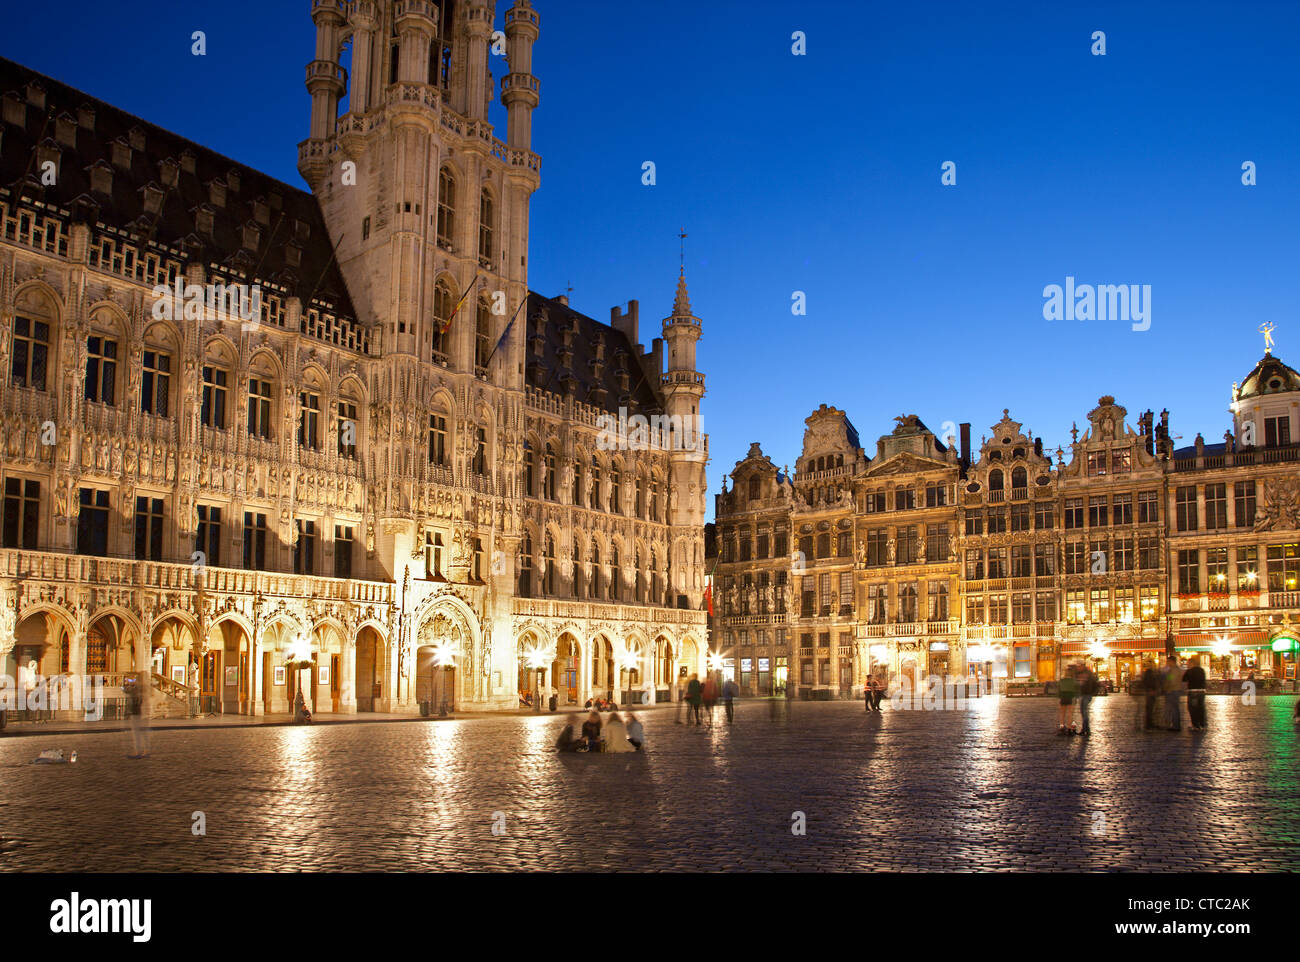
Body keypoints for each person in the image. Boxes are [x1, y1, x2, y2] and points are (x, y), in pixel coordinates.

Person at [125, 676, 150, 758]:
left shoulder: (138, 691)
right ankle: (144, 751)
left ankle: (139, 751)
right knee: (142, 734)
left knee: (138, 734)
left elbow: (127, 692)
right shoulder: (142, 690)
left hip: (138, 714)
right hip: (141, 714)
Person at [1184, 655, 1208, 730]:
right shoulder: (1201, 670)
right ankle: (1202, 724)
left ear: (1191, 663)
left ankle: (1195, 725)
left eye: (1188, 663)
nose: (1187, 665)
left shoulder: (1189, 671)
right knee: (1201, 708)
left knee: (1193, 708)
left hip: (1193, 691)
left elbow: (1184, 680)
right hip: (1201, 691)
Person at [1163, 655, 1184, 732]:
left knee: (1174, 708)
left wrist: (1168, 688)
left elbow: (1172, 681)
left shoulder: (1174, 670)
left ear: (1172, 662)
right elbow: (1169, 679)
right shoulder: (1172, 670)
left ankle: (1176, 726)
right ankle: (1174, 724)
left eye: (1168, 661)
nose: (1167, 663)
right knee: (1173, 708)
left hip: (1173, 691)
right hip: (1173, 690)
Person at [1057, 664, 1079, 734]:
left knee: (1062, 713)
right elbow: (1077, 690)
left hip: (1063, 697)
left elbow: (1059, 690)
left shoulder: (1062, 680)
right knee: (1070, 713)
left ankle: (1062, 726)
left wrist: (1059, 697)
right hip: (1071, 697)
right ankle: (1069, 727)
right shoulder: (1074, 681)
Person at [1078, 663, 1099, 737]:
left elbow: (1096, 684)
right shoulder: (1081, 673)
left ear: (1083, 666)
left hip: (1087, 694)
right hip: (1083, 694)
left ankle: (1085, 730)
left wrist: (1093, 693)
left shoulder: (1089, 674)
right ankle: (1086, 729)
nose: (1078, 667)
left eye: (1079, 666)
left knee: (1085, 712)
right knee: (1083, 712)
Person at [1141, 660, 1161, 730]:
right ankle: (1149, 724)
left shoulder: (1153, 672)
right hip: (1150, 692)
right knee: (1150, 708)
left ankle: (1150, 723)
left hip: (1152, 692)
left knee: (1152, 708)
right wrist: (1150, 689)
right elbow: (1147, 682)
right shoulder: (1149, 672)